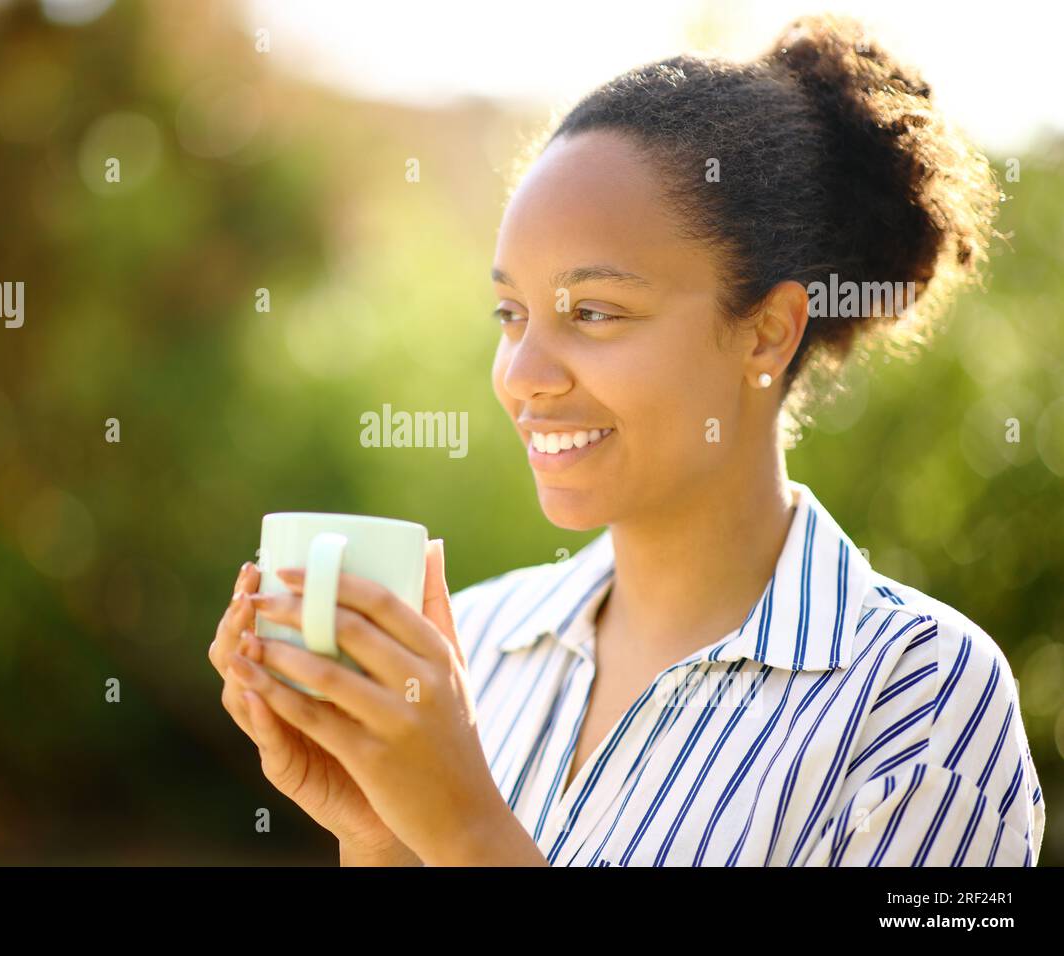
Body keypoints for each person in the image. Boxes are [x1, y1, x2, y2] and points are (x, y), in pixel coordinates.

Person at [209, 14, 1044, 866]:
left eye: (595, 313)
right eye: (512, 315)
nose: (522, 374)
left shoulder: (919, 697)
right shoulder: (475, 645)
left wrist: (464, 829)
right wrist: (381, 837)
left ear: (768, 332)